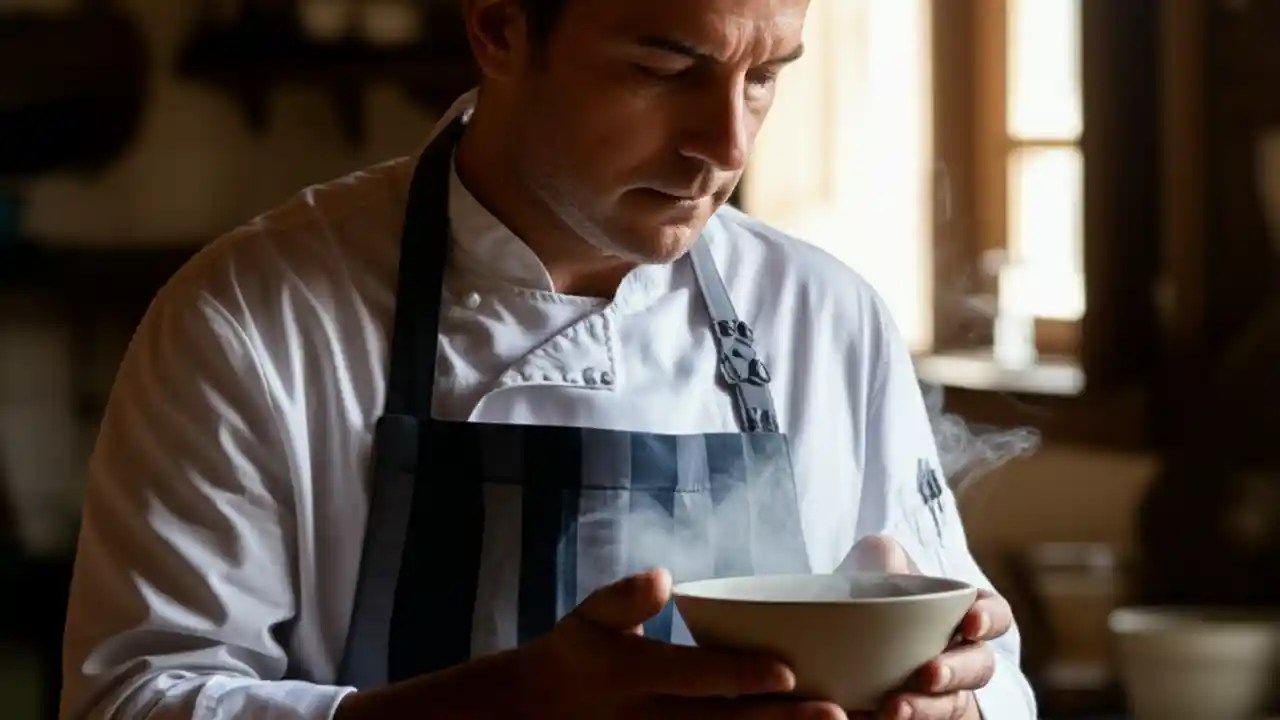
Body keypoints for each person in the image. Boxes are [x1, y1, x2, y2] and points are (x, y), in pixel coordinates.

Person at [60, 0, 1038, 718]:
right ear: (497, 27)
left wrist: (954, 703)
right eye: (663, 70)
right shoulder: (250, 320)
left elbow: (991, 679)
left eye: (764, 75)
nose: (723, 144)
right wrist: (495, 709)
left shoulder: (824, 317)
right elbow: (133, 701)